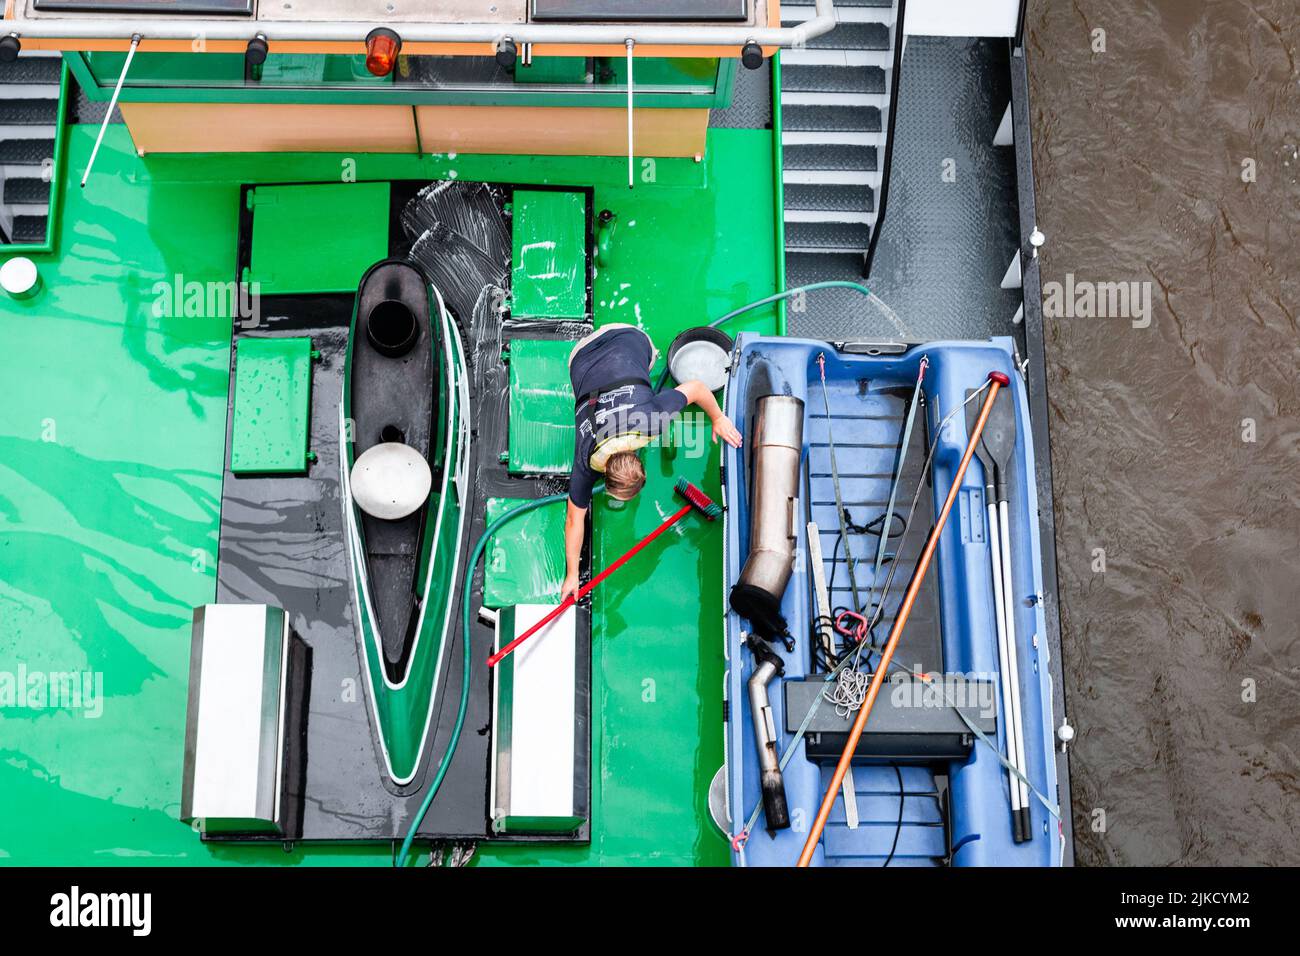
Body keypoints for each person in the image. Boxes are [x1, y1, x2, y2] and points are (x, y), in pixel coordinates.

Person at [561, 324, 741, 601]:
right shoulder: (586, 457)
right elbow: (573, 520)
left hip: (614, 343)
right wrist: (571, 576)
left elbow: (695, 387)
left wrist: (719, 418)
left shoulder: (650, 421)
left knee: (630, 375)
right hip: (584, 356)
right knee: (587, 401)